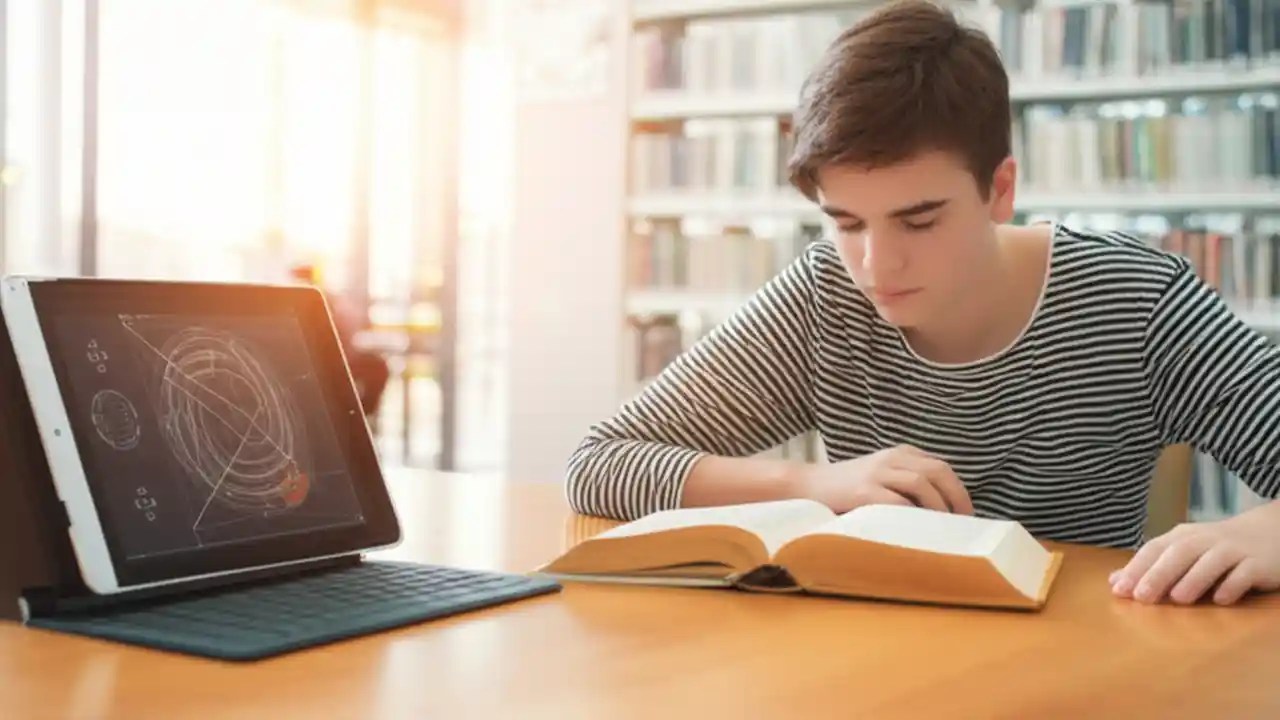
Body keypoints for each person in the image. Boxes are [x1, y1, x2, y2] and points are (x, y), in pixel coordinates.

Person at [565, 0, 1280, 607]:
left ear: (1000, 189)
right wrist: (815, 483)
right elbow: (599, 464)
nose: (877, 265)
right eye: (846, 222)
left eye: (919, 220)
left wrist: (1259, 531)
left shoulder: (1138, 302)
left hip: (1075, 672)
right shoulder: (825, 296)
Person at [288, 264, 390, 418]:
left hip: (337, 359)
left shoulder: (324, 299)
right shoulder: (311, 301)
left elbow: (345, 332)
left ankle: (357, 413)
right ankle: (355, 413)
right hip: (319, 362)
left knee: (376, 367)